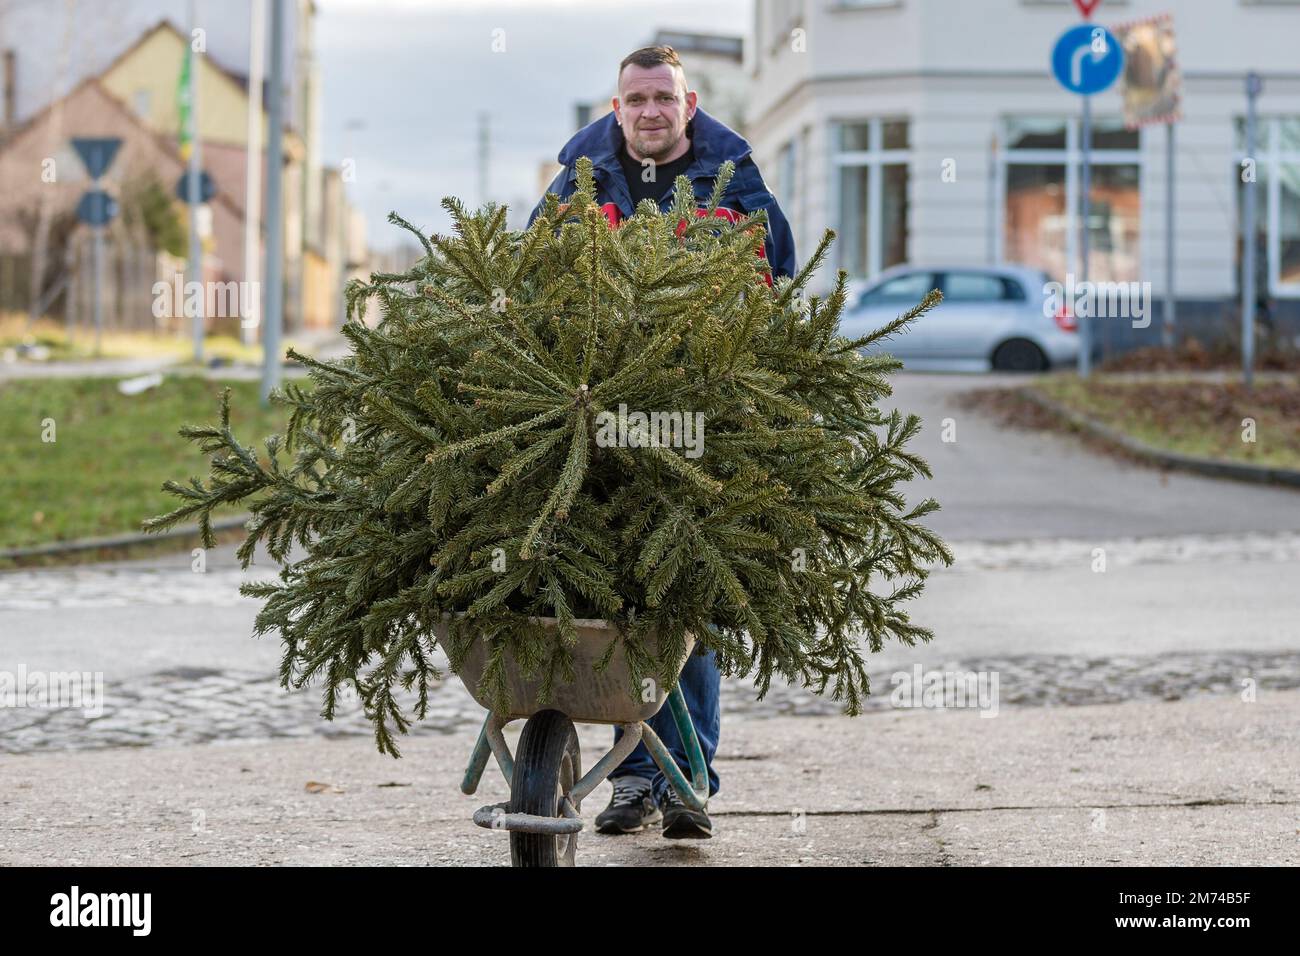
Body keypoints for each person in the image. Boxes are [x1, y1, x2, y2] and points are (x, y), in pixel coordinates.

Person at [527, 45, 797, 840]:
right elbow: (535, 276)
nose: (649, 111)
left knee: (685, 604)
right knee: (610, 605)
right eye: (635, 99)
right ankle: (633, 782)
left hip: (700, 426)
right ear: (617, 109)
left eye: (663, 98)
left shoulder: (732, 182)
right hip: (593, 427)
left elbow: (771, 277)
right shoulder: (578, 186)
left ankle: (688, 782)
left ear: (689, 104)